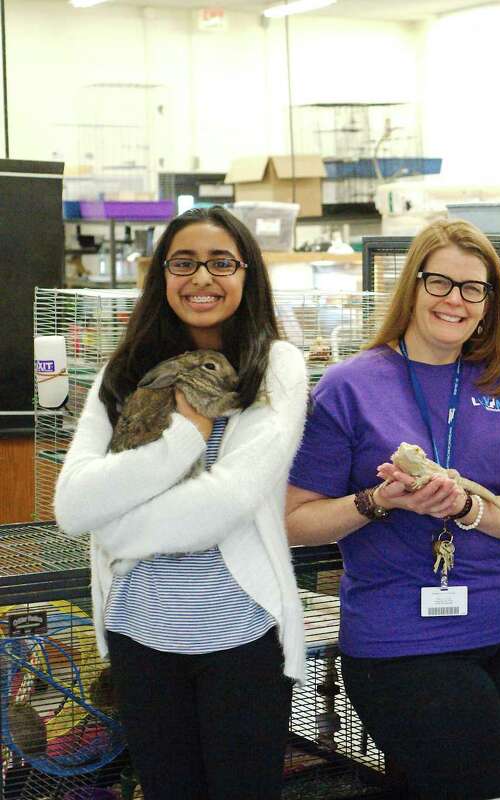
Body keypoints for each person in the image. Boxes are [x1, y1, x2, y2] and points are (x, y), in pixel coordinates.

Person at [285, 219, 500, 799]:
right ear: (412, 286)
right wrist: (377, 501)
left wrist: (468, 509)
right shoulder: (347, 387)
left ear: (489, 304)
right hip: (403, 641)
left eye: (473, 288)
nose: (454, 300)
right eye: (440, 282)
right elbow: (297, 521)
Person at [54, 207, 308, 799]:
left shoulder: (276, 367)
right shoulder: (123, 373)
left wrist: (114, 529)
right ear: (163, 275)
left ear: (246, 274)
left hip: (243, 637)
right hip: (138, 634)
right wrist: (187, 436)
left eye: (221, 263)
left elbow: (226, 501)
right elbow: (72, 506)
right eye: (184, 263)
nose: (202, 278)